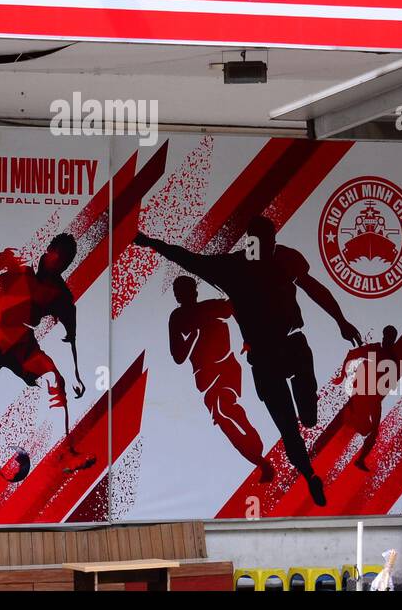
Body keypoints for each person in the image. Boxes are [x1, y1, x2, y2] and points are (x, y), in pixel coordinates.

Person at [135, 216, 361, 506]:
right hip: (266, 356)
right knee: (287, 426)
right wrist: (150, 243)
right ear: (253, 242)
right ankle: (309, 475)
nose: (267, 247)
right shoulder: (234, 266)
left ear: (273, 242)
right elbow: (186, 259)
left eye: (269, 242)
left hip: (290, 346)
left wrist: (340, 320)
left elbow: (314, 289)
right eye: (261, 242)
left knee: (304, 419)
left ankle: (308, 422)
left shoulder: (282, 259)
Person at [0, 233, 94, 473]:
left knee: (54, 379)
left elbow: (69, 337)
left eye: (64, 264)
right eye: (57, 259)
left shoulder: (60, 295)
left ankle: (64, 453)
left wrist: (76, 373)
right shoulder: (19, 262)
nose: (58, 267)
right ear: (48, 252)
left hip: (24, 346)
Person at [168, 276, 273, 482]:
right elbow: (178, 356)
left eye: (187, 291)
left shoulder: (211, 307)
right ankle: (259, 459)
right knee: (224, 418)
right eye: (179, 293)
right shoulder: (177, 318)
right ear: (177, 297)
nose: (183, 296)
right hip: (205, 378)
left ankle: (259, 455)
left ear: (195, 293)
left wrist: (248, 337)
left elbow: (237, 307)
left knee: (225, 409)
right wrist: (195, 335)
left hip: (226, 367)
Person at [342, 325, 399, 471]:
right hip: (362, 393)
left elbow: (391, 383)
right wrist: (344, 374)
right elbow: (353, 354)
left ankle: (360, 460)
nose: (389, 340)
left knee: (372, 431)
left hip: (373, 398)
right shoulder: (375, 349)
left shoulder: (391, 358)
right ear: (384, 336)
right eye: (387, 336)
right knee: (365, 429)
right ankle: (349, 418)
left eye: (391, 337)